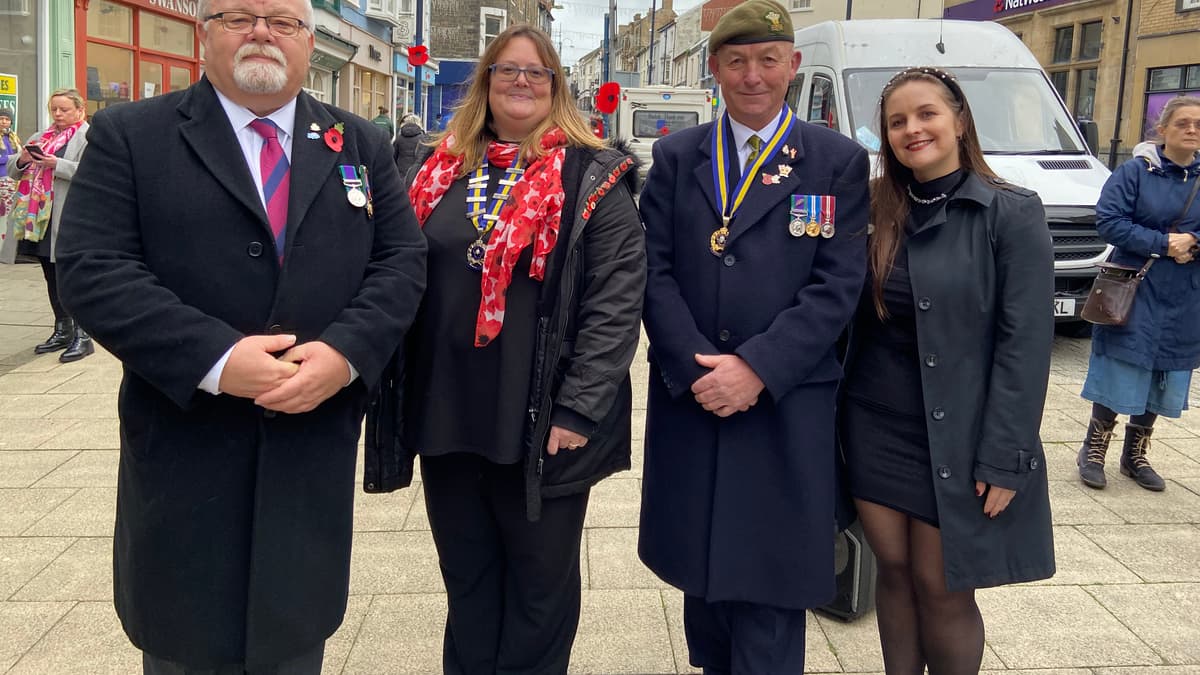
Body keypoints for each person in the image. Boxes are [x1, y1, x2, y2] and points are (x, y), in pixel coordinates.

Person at [53, 2, 427, 673]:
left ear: (311, 43)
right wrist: (217, 359)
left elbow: (401, 260)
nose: (261, 32)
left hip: (307, 459)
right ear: (205, 34)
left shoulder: (358, 142)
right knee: (186, 648)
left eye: (282, 21)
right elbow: (92, 269)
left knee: (292, 643)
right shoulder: (130, 136)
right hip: (186, 456)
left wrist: (345, 354)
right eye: (238, 17)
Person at [365, 23, 645, 675]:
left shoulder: (594, 176)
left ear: (556, 88)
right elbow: (389, 268)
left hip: (542, 418)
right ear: (485, 81)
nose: (521, 82)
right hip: (445, 409)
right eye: (507, 70)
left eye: (536, 72)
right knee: (467, 582)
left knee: (539, 590)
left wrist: (579, 410)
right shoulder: (433, 165)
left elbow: (617, 300)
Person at [637, 1, 869, 671]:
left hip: (781, 407)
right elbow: (654, 270)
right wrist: (696, 365)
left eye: (769, 60)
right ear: (715, 69)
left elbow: (837, 286)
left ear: (793, 66)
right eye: (736, 61)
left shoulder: (836, 161)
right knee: (703, 586)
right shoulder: (679, 158)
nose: (753, 75)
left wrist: (758, 369)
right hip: (696, 400)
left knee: (767, 599)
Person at [840, 66, 1055, 673]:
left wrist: (1006, 456)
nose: (914, 129)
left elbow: (1027, 344)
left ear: (959, 120)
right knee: (895, 574)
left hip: (959, 435)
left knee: (944, 587)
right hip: (873, 424)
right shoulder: (872, 207)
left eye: (927, 114)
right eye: (898, 120)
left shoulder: (1010, 212)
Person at [1077, 94, 1200, 492]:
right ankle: (1094, 448)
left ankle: (1135, 454)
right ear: (1162, 130)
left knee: (1164, 369)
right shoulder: (1134, 172)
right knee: (1122, 363)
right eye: (1183, 123)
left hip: (1184, 292)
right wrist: (1165, 243)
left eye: (1198, 124)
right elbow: (1109, 222)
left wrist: (1191, 244)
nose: (1192, 130)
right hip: (1134, 286)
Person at [3, 89, 92, 362]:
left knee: (70, 275)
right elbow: (12, 169)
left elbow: (93, 172)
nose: (58, 115)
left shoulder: (88, 137)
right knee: (49, 273)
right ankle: (62, 329)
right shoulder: (40, 137)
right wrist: (23, 159)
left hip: (69, 215)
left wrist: (58, 164)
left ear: (79, 109)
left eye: (64, 109)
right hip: (37, 216)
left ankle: (83, 335)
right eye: (54, 109)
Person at [0, 107, 20, 216]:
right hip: (2, 179)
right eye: (1, 118)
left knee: (9, 212)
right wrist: (12, 158)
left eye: (7, 119)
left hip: (12, 179)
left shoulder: (12, 137)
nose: (4, 122)